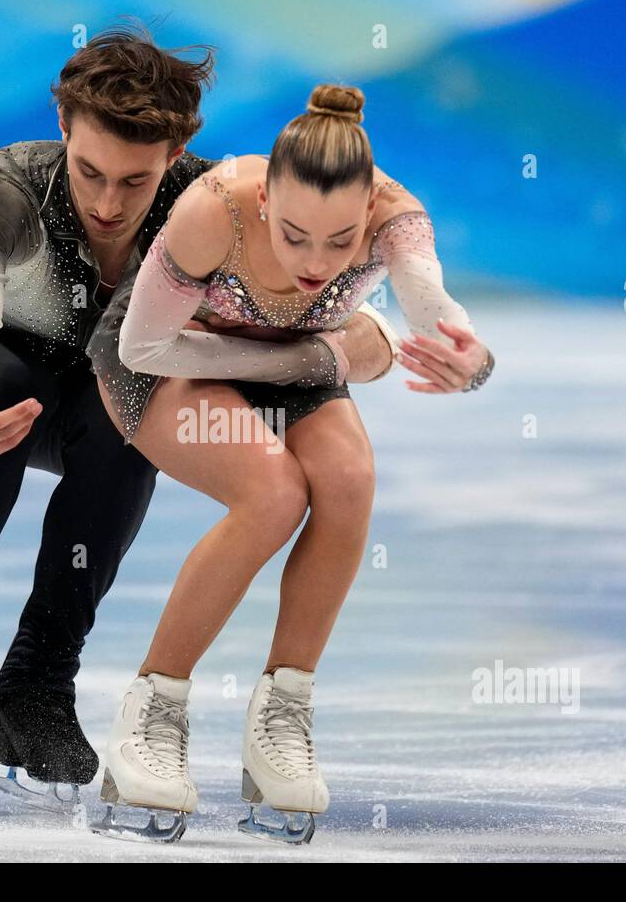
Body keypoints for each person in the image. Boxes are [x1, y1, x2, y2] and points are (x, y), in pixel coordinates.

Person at [0, 31, 400, 814]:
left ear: (180, 148)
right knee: (2, 390)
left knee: (132, 411)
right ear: (63, 125)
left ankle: (40, 680)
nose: (108, 204)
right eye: (89, 172)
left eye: (135, 181)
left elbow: (342, 309)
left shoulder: (217, 207)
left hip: (82, 383)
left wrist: (374, 343)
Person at [86, 83, 495, 843]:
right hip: (163, 362)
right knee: (272, 492)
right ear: (266, 201)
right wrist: (327, 355)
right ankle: (153, 709)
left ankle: (283, 713)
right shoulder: (214, 209)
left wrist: (471, 357)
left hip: (295, 359)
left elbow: (432, 305)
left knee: (347, 481)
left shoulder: (398, 221)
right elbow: (144, 345)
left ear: (370, 208)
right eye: (295, 235)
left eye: (341, 242)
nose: (316, 262)